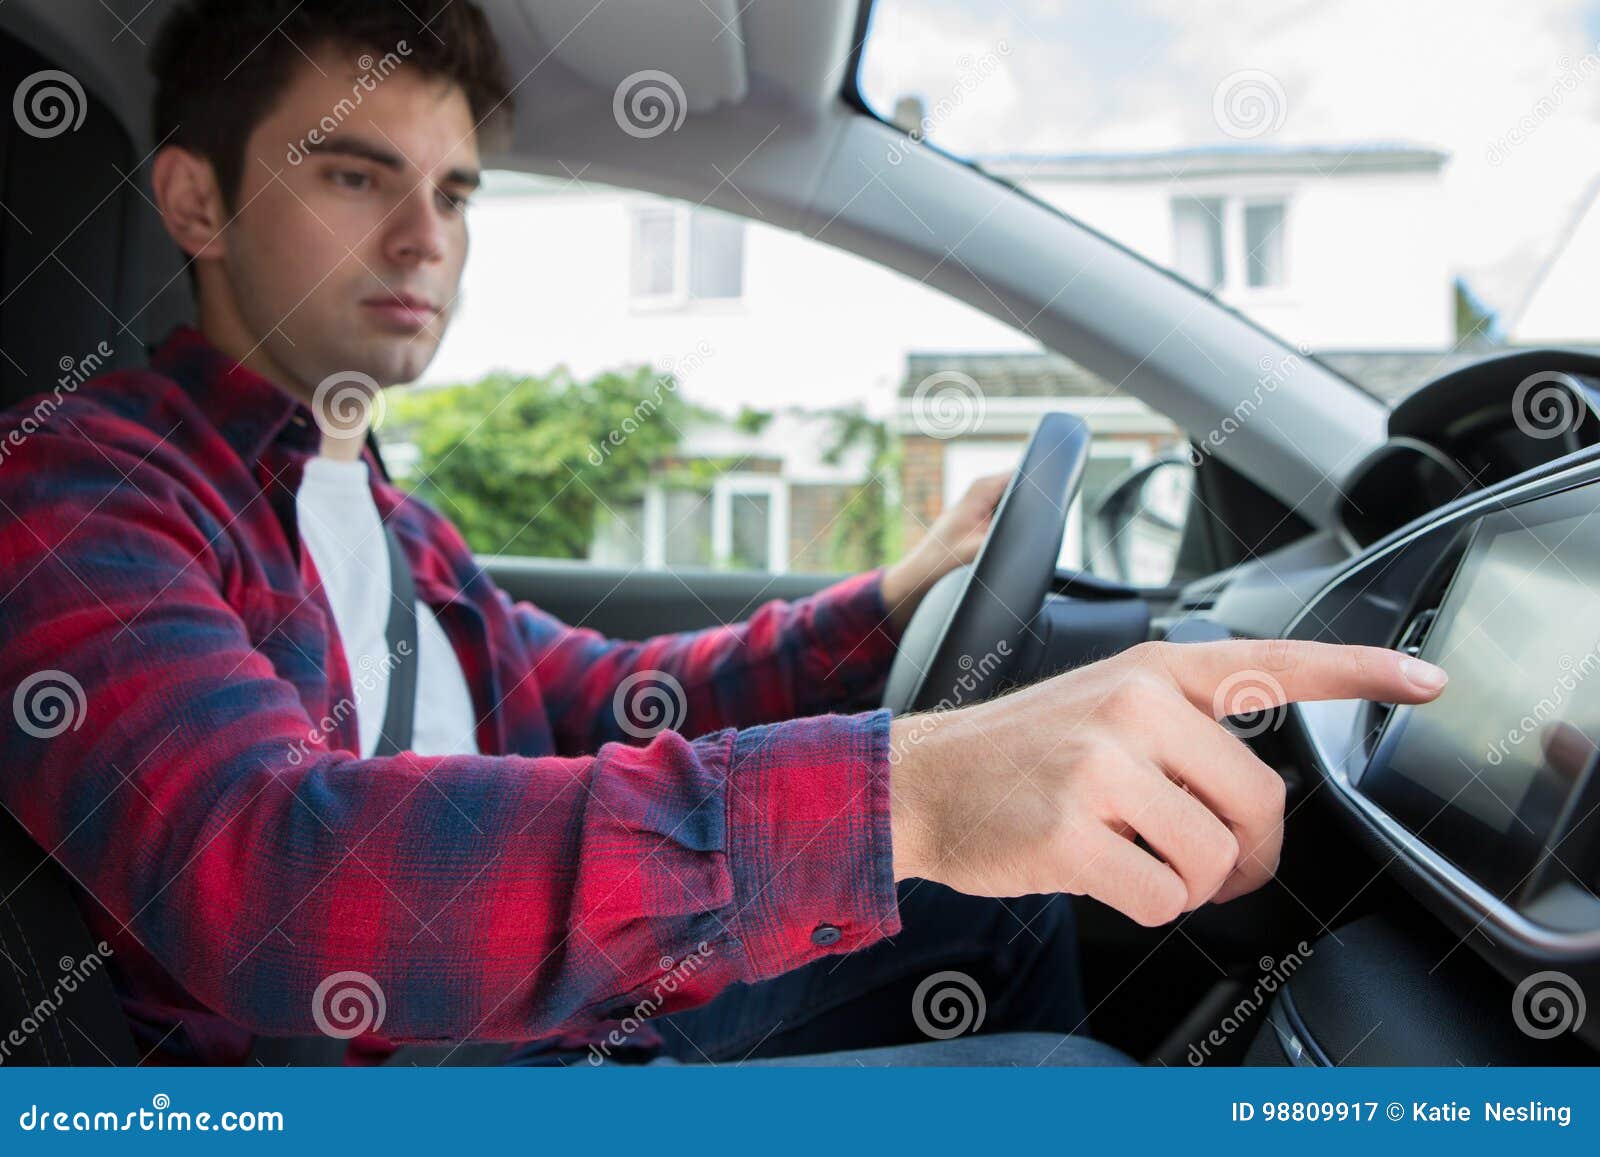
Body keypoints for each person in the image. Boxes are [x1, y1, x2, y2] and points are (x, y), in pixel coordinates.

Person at [0, 0, 1447, 1067]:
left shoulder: (394, 521)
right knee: (1042, 1044)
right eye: (354, 173)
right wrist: (910, 798)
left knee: (991, 923)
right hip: (386, 1076)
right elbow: (275, 872)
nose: (425, 236)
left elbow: (595, 696)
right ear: (196, 197)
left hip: (521, 1023)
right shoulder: (83, 492)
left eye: (453, 191)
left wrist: (888, 601)